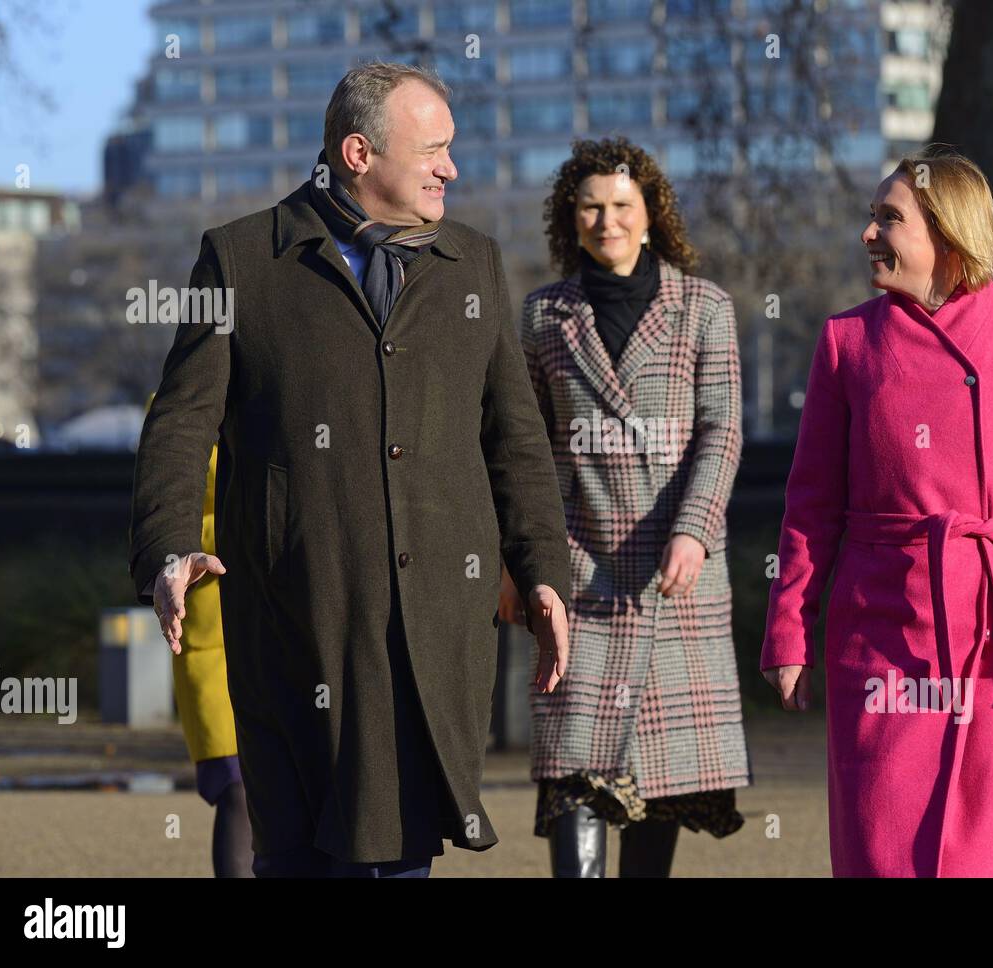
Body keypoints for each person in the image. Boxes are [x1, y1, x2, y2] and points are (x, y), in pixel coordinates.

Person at [130, 62, 572, 878]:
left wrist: (542, 569)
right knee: (296, 860)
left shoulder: (472, 264)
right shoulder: (238, 259)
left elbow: (513, 437)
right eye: (433, 149)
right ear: (360, 153)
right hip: (296, 631)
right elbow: (180, 423)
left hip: (431, 631)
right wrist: (165, 551)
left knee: (402, 859)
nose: (452, 168)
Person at [760, 150, 993, 877]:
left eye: (888, 218)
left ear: (948, 235)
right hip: (882, 631)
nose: (867, 234)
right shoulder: (847, 342)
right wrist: (789, 631)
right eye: (871, 216)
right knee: (886, 845)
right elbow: (811, 506)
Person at [504, 137, 750, 878]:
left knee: (659, 785)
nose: (605, 221)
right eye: (589, 207)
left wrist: (695, 533)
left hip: (676, 581)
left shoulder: (704, 308)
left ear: (650, 216)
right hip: (578, 572)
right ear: (569, 219)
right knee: (575, 776)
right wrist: (523, 561)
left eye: (621, 206)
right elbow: (527, 450)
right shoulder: (543, 317)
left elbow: (722, 430)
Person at [144, 393, 253, 877]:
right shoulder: (176, 406)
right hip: (207, 638)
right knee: (236, 785)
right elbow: (164, 520)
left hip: (279, 632)